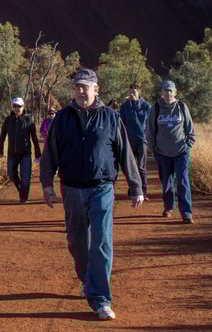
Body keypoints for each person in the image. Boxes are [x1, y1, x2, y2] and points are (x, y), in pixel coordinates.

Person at [39, 69, 143, 321]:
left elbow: (124, 151)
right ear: (72, 91)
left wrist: (135, 185)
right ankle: (88, 279)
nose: (81, 91)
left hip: (102, 187)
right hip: (72, 188)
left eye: (86, 87)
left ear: (97, 90)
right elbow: (50, 152)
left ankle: (100, 298)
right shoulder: (61, 119)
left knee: (101, 242)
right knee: (77, 243)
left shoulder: (110, 117)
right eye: (77, 87)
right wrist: (47, 183)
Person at [145, 79, 196, 223]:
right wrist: (154, 148)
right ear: (161, 93)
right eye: (165, 91)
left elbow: (189, 127)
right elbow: (150, 131)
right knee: (166, 182)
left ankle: (186, 213)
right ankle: (168, 207)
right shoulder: (155, 109)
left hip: (181, 151)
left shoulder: (181, 107)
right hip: (162, 153)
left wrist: (188, 144)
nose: (168, 94)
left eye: (170, 91)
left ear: (175, 92)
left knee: (183, 181)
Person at [0, 96, 42, 203]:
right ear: (12, 107)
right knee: (11, 174)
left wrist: (37, 153)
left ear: (23, 107)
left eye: (19, 106)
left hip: (25, 154)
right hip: (12, 154)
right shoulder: (8, 120)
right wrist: (0, 150)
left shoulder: (29, 120)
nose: (17, 108)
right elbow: (2, 135)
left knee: (26, 178)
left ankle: (23, 198)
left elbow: (34, 138)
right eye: (15, 106)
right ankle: (20, 188)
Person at [118, 83, 152, 198]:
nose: (132, 94)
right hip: (128, 141)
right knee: (130, 166)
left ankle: (143, 190)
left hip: (142, 140)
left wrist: (149, 138)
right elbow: (121, 123)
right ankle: (132, 188)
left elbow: (150, 124)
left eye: (134, 92)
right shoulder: (124, 107)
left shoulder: (146, 106)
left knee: (141, 167)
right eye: (130, 92)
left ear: (139, 92)